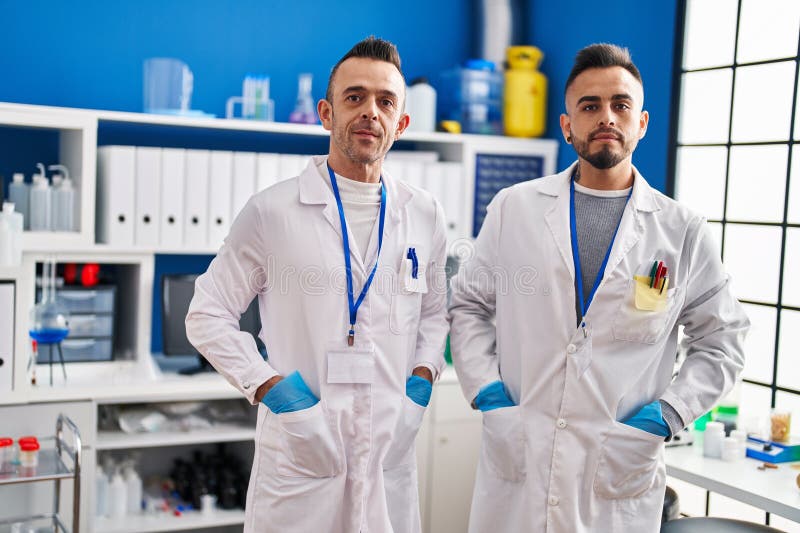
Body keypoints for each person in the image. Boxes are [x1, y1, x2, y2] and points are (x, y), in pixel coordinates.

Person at [449, 43, 749, 532]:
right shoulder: (515, 208)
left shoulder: (681, 229)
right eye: (589, 106)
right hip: (521, 453)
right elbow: (468, 305)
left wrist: (668, 413)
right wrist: (487, 392)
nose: (606, 116)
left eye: (620, 105)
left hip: (618, 468)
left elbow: (724, 339)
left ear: (642, 123)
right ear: (568, 126)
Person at [186, 36, 448, 533]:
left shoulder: (424, 214)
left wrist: (421, 381)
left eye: (385, 102)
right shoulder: (272, 212)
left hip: (389, 445)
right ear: (327, 113)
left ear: (402, 123)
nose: (370, 111)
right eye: (355, 98)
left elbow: (435, 313)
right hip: (302, 449)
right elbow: (206, 314)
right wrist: (272, 389)